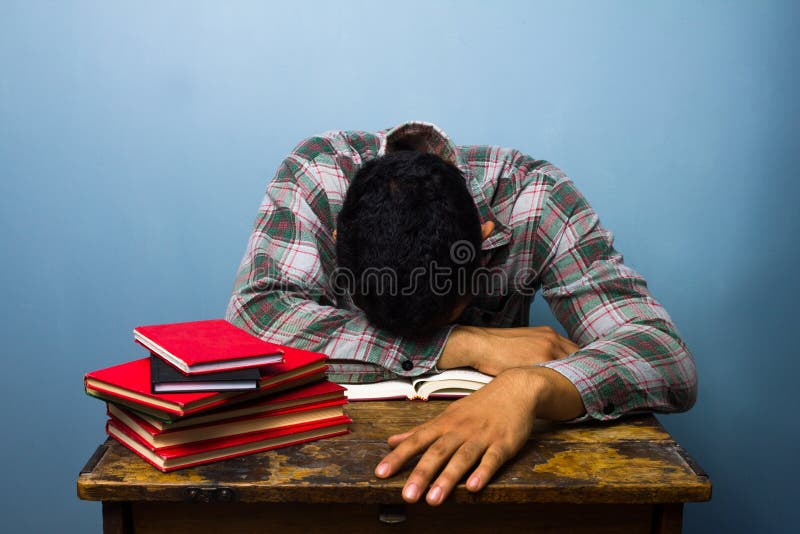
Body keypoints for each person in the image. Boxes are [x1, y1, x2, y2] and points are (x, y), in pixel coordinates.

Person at [226, 121, 697, 506]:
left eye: (446, 317)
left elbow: (663, 354)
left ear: (485, 243)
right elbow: (255, 317)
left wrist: (531, 386)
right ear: (336, 245)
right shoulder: (317, 176)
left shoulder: (535, 197)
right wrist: (461, 343)